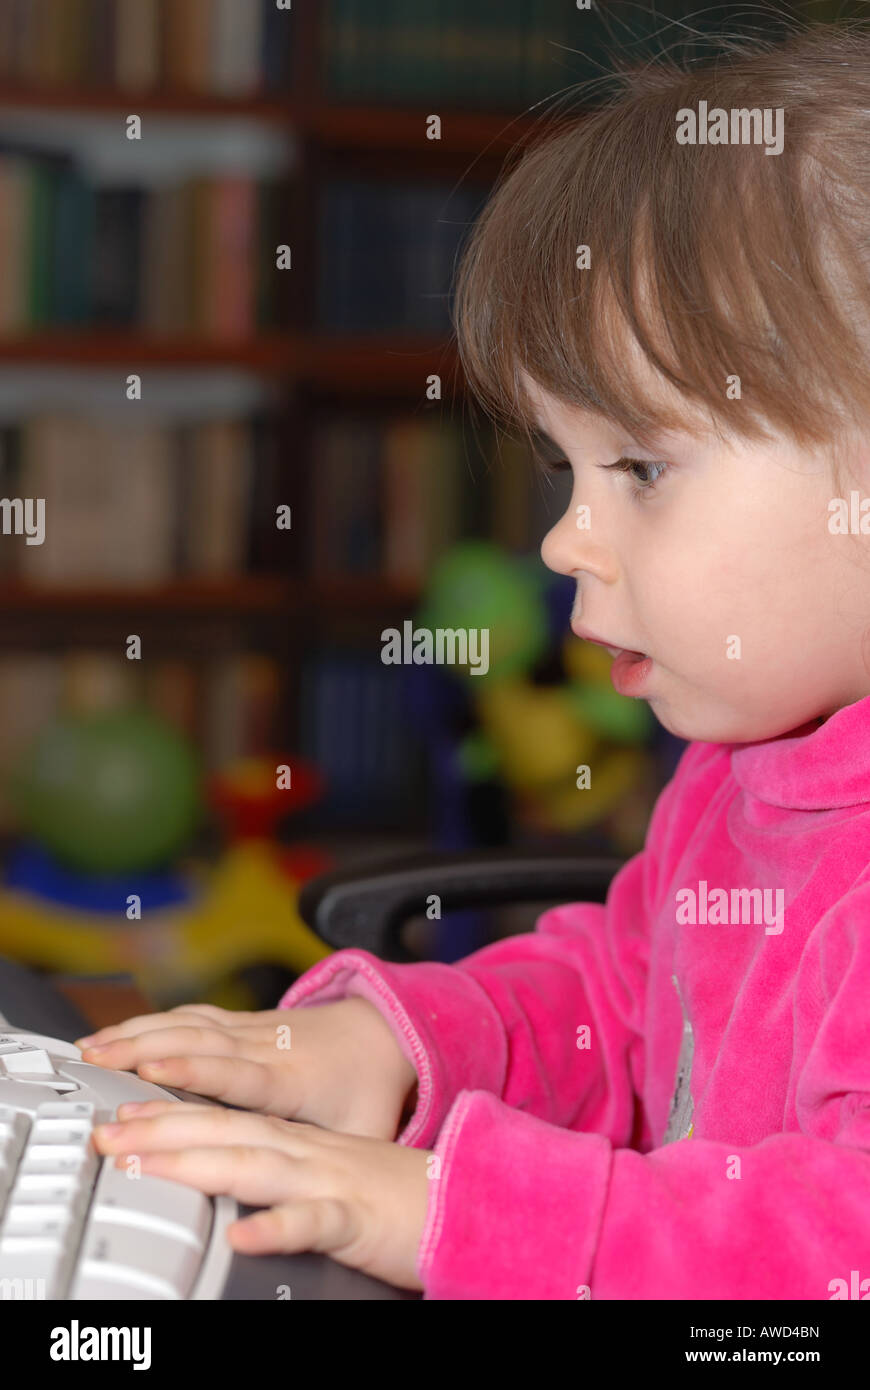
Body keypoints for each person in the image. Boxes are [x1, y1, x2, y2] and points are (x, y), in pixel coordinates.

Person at [83, 20, 870, 1298]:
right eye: (570, 470)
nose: (565, 538)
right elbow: (622, 1007)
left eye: (642, 468)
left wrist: (457, 1208)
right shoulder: (743, 776)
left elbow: (840, 1245)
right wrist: (382, 1047)